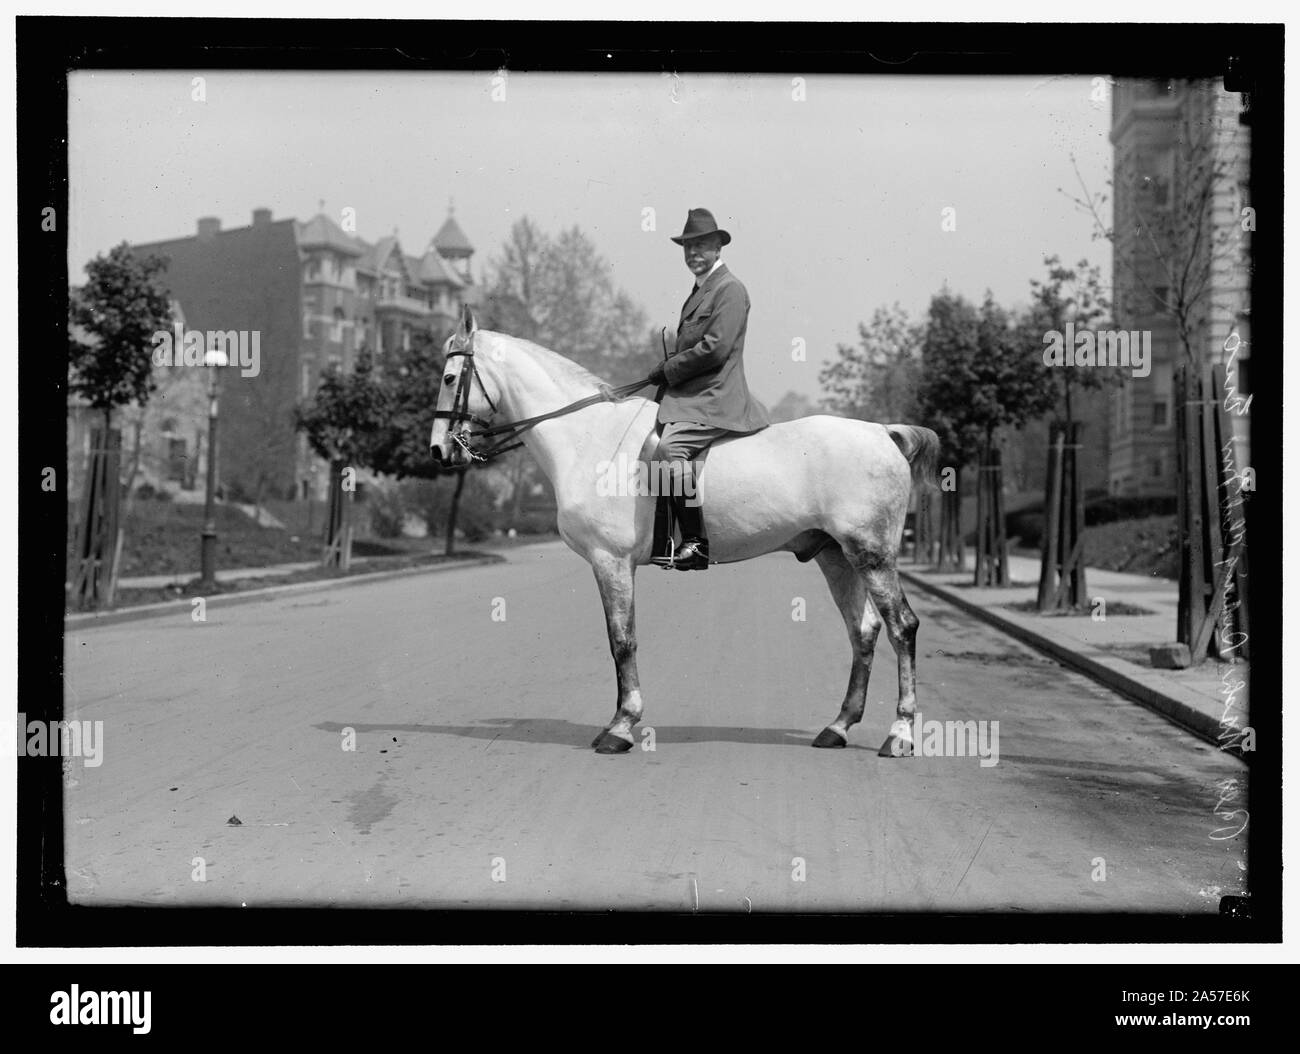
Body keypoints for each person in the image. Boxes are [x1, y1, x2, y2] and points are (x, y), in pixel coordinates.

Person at [647, 208, 769, 571]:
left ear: (718, 247)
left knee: (670, 450)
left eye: (701, 245)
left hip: (718, 396)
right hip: (694, 396)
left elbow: (715, 348)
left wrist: (668, 369)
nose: (693, 253)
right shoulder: (700, 290)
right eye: (687, 247)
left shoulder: (730, 289)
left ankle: (696, 543)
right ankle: (662, 540)